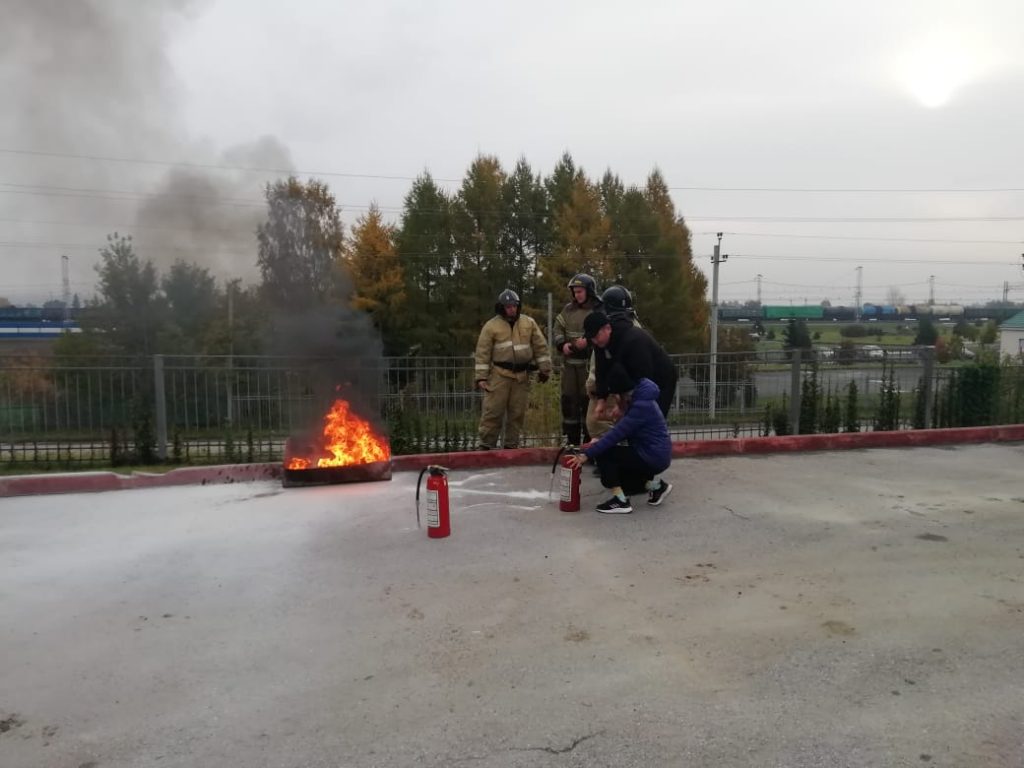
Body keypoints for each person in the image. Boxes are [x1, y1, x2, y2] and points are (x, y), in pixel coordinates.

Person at [567, 366, 673, 513]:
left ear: (620, 394)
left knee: (604, 454)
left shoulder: (639, 408)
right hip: (655, 455)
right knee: (613, 477)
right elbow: (621, 433)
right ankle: (657, 487)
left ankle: (620, 501)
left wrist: (586, 455)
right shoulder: (641, 399)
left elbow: (615, 435)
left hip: (651, 456)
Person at [474, 289, 553, 450]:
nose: (512, 309)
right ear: (501, 307)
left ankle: (511, 446)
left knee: (517, 413)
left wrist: (545, 369)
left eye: (515, 306)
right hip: (499, 375)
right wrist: (481, 377)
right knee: (493, 412)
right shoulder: (491, 326)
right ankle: (485, 446)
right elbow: (482, 352)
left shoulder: (528, 323)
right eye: (508, 306)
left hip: (521, 376)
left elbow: (540, 346)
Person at [553, 273, 602, 446]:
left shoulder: (597, 309)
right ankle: (571, 442)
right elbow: (557, 328)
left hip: (589, 367)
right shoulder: (568, 310)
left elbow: (602, 332)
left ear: (589, 291)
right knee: (569, 402)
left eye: (580, 291)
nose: (576, 295)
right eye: (574, 292)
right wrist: (562, 344)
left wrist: (587, 342)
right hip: (569, 367)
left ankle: (590, 442)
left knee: (588, 403)